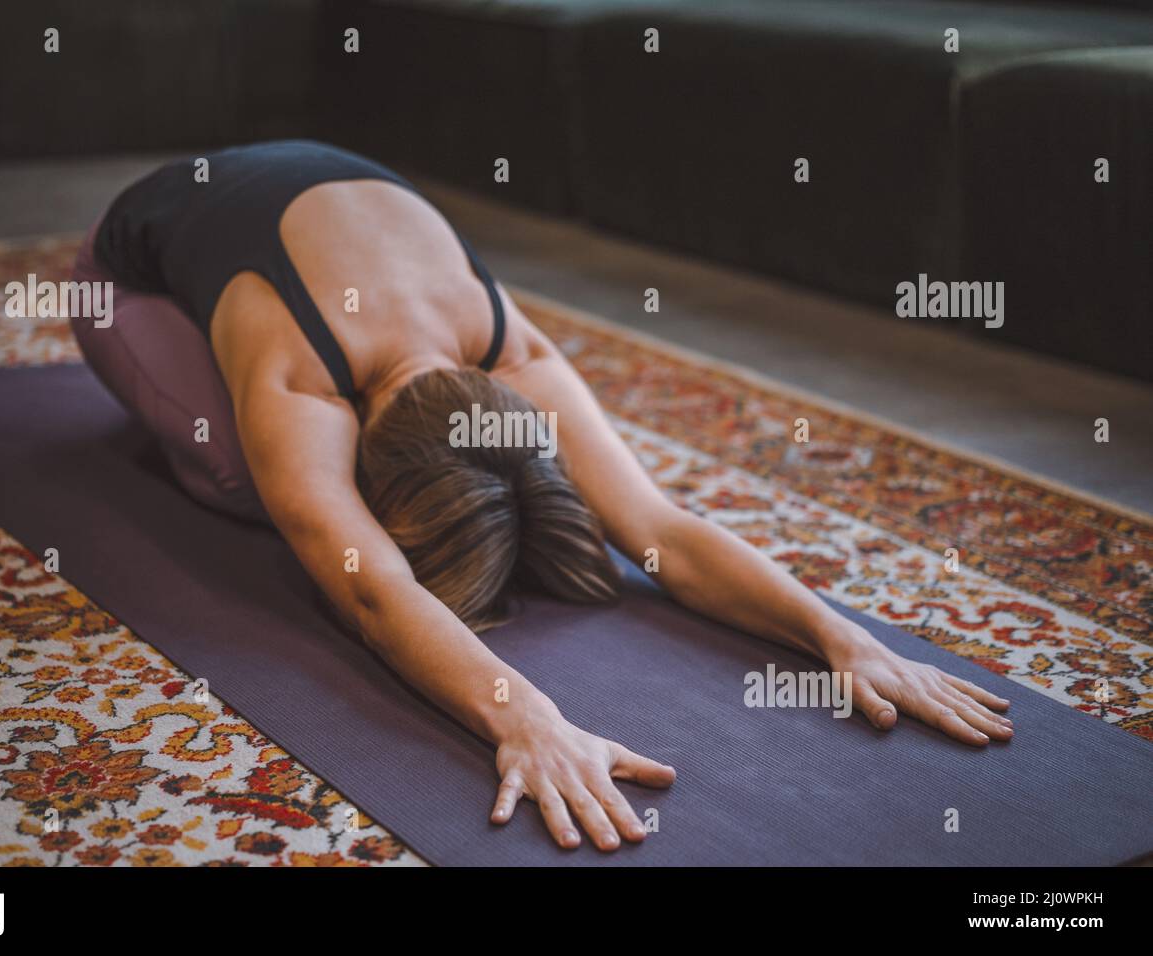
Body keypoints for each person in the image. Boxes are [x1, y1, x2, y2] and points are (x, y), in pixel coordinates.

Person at [73, 140, 1013, 853]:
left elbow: (661, 533)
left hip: (325, 204)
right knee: (244, 484)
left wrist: (841, 637)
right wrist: (527, 720)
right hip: (124, 272)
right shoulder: (300, 376)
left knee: (330, 497)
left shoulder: (509, 352)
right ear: (363, 452)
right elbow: (372, 590)